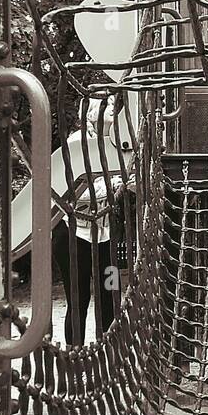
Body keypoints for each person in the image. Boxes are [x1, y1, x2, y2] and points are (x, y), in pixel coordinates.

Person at [52, 99, 124, 344]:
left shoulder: (118, 144)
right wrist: (118, 184)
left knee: (111, 293)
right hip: (73, 236)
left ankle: (107, 356)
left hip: (105, 237)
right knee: (78, 299)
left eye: (114, 102)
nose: (114, 106)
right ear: (90, 113)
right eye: (106, 103)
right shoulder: (76, 143)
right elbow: (73, 192)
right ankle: (75, 357)